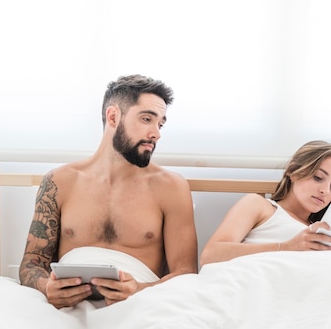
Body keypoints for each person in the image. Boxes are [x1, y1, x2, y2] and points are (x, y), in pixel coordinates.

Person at [19, 74, 198, 308]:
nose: (156, 133)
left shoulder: (171, 188)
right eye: (147, 119)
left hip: (138, 306)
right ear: (113, 116)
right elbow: (31, 264)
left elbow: (186, 274)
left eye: (160, 124)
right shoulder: (59, 182)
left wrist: (138, 290)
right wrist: (46, 287)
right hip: (65, 310)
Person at [200, 140, 331, 266]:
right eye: (318, 177)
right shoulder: (261, 206)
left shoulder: (324, 235)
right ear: (293, 171)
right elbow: (210, 255)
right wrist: (287, 247)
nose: (325, 190)